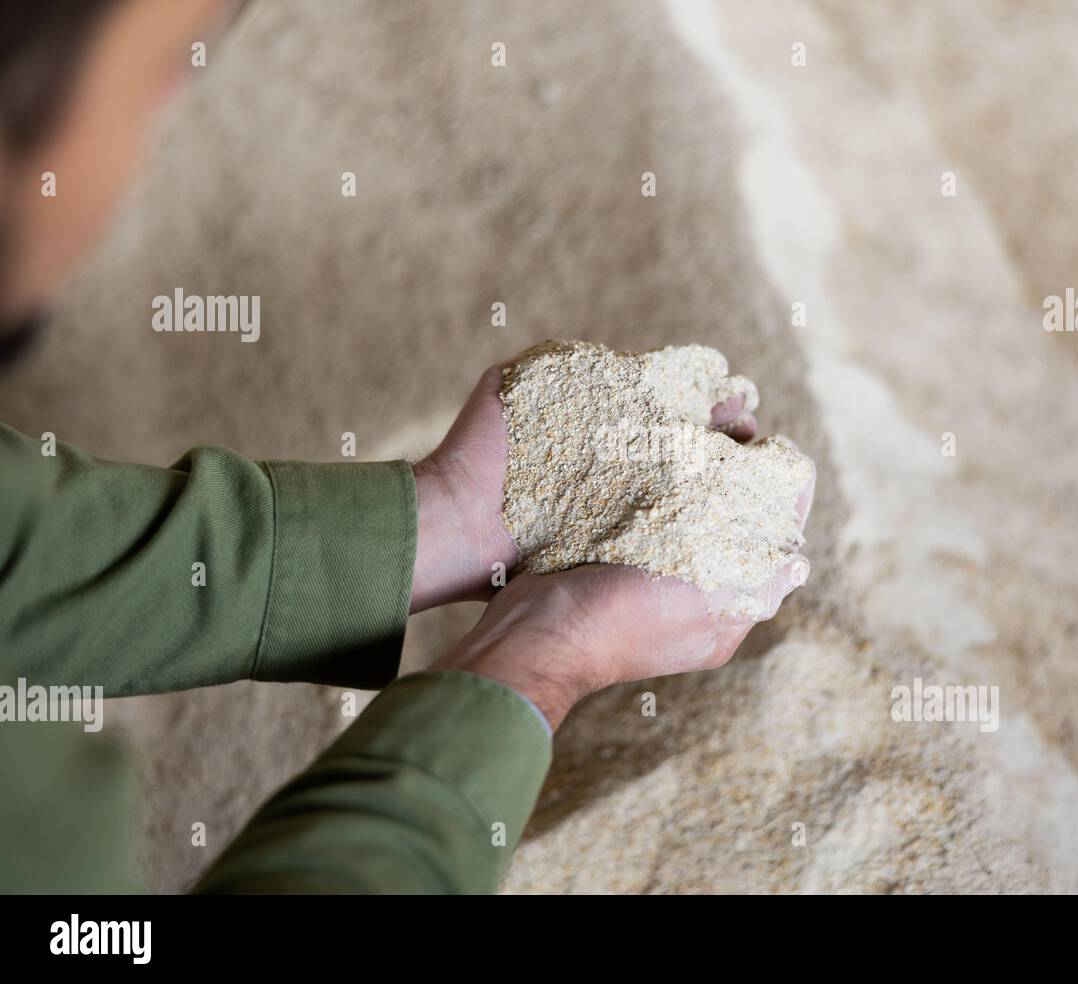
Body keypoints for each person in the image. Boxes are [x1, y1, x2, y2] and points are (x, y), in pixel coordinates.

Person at [0, 0, 812, 893]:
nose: (172, 102)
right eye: (170, 66)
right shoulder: (36, 809)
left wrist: (446, 519)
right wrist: (543, 658)